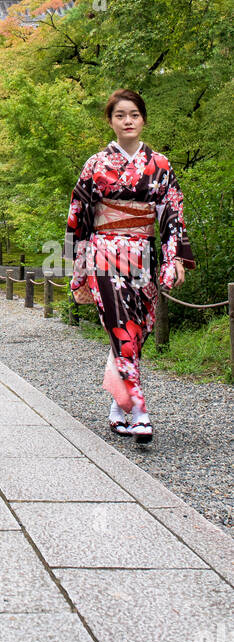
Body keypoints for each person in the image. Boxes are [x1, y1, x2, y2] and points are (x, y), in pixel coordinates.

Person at [65, 89, 194, 446]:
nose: (128, 121)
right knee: (120, 325)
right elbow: (77, 216)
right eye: (120, 115)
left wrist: (176, 258)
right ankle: (139, 410)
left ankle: (117, 405)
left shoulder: (161, 165)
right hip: (104, 253)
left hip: (142, 254)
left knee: (137, 329)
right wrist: (78, 266)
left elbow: (173, 212)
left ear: (143, 119)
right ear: (111, 121)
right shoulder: (95, 164)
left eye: (134, 115)